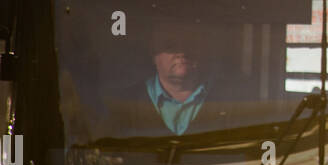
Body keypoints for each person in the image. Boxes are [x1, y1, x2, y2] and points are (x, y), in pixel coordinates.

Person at [93, 19, 243, 138]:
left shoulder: (234, 99)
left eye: (190, 44)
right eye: (170, 46)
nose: (182, 52)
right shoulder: (122, 104)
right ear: (153, 54)